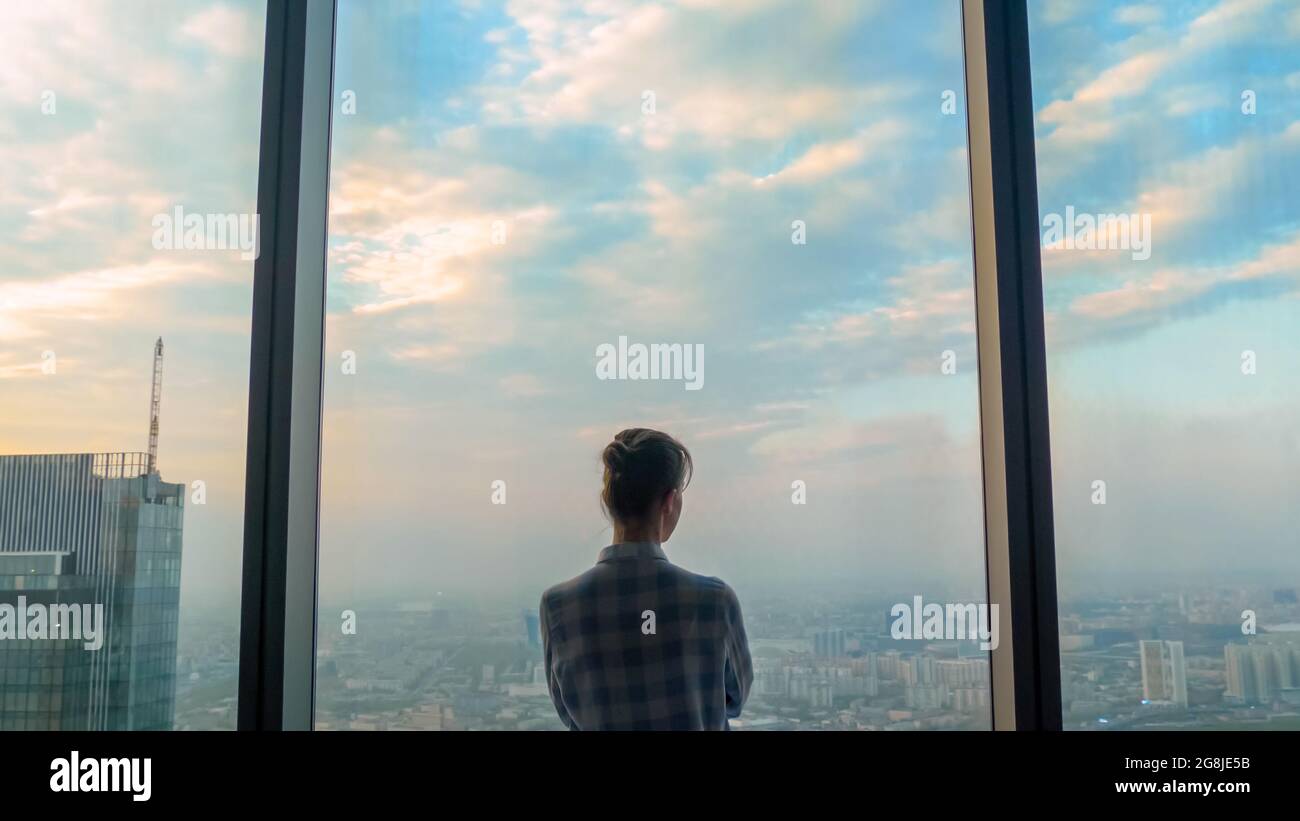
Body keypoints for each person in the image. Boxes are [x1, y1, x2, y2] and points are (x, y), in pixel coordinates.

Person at [539, 428, 753, 730]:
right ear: (670, 501)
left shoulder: (558, 606)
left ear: (609, 501)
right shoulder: (714, 600)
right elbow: (734, 699)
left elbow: (569, 713)